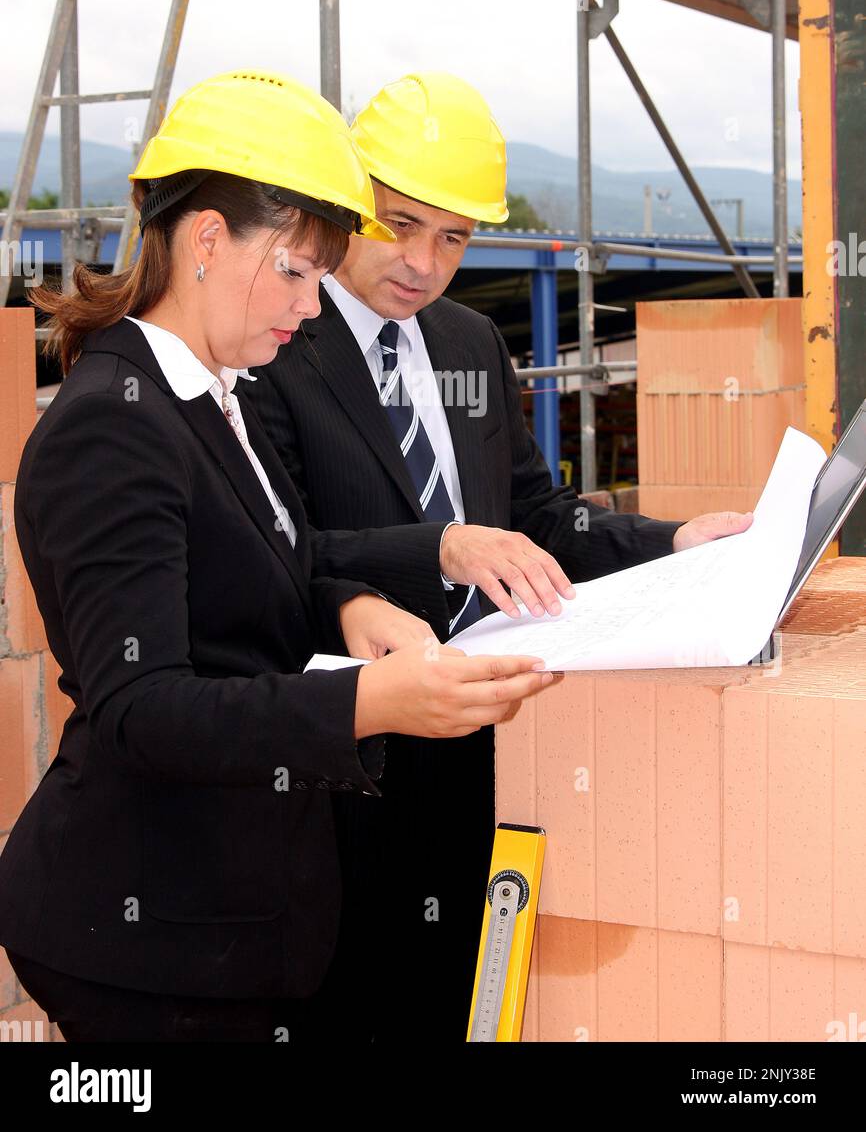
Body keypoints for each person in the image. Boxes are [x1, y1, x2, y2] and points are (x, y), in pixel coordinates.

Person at [0, 68, 558, 1043]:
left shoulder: (212, 399)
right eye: (296, 271)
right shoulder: (114, 427)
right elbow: (142, 707)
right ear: (208, 239)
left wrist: (345, 605)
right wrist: (370, 703)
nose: (308, 308)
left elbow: (263, 576)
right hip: (146, 933)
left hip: (232, 915)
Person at [243, 70, 754, 1040]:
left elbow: (539, 518)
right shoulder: (275, 350)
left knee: (464, 1001)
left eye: (453, 236)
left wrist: (672, 539)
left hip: (489, 758)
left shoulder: (469, 342)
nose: (421, 260)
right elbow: (283, 549)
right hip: (351, 777)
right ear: (349, 206)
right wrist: (438, 545)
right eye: (398, 223)